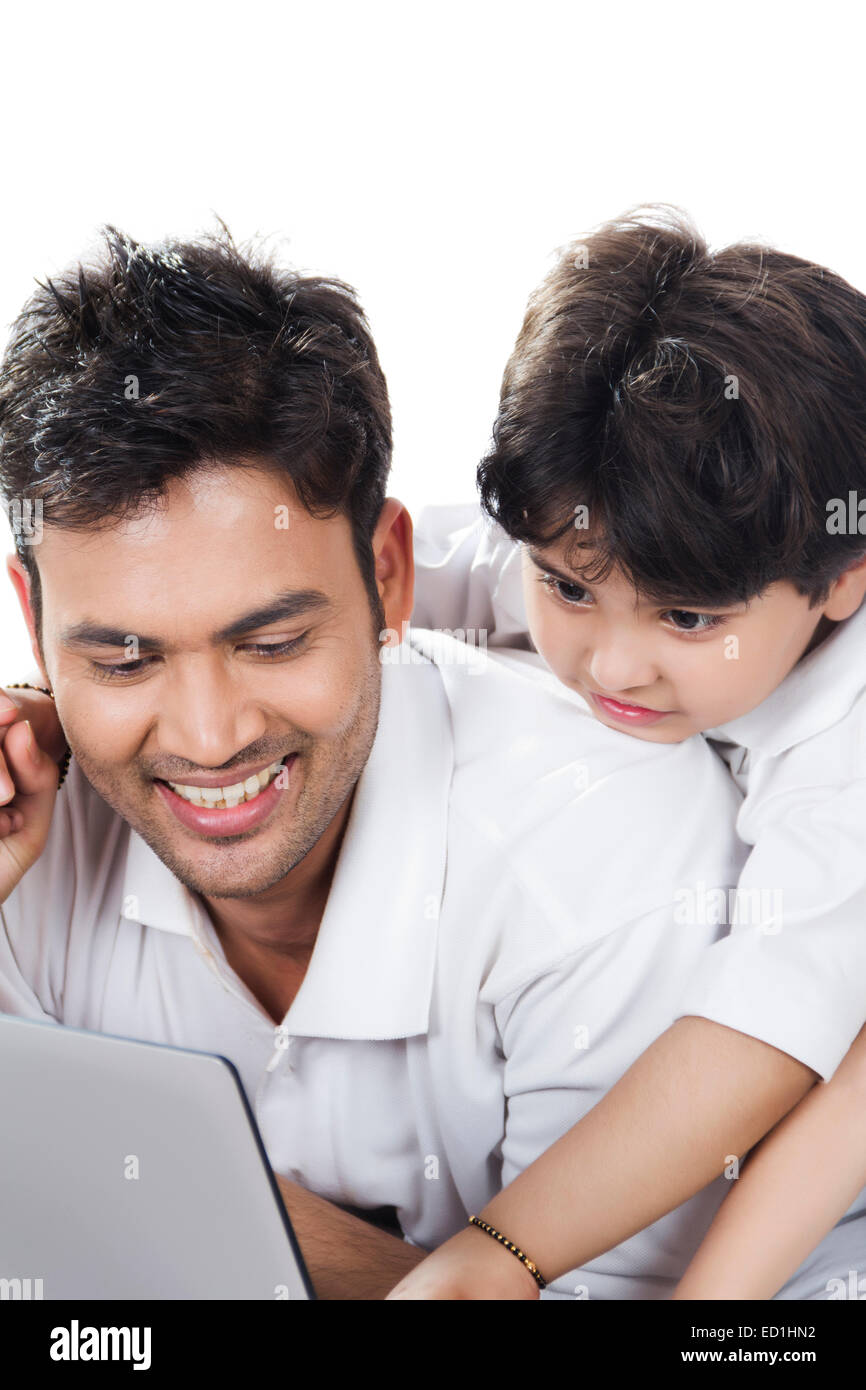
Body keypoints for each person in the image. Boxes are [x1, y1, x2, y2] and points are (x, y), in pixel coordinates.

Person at [0, 224, 760, 1300]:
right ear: (34, 626)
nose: (209, 737)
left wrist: (149, 1193)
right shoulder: (24, 831)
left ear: (388, 577)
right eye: (123, 659)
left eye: (272, 643)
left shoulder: (610, 846)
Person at [388, 206, 866, 1299]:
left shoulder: (841, 740)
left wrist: (505, 1253)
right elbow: (340, 576)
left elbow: (778, 1046)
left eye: (687, 621)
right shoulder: (588, 515)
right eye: (564, 588)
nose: (611, 665)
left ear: (841, 578)